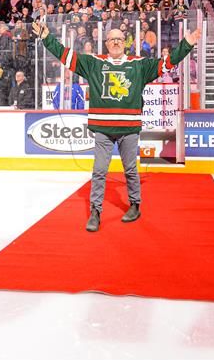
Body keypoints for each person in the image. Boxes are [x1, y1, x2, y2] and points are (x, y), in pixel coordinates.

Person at [33, 20, 200, 232]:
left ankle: (135, 204)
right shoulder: (93, 63)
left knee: (130, 170)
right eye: (111, 39)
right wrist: (47, 37)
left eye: (119, 39)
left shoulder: (139, 65)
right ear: (106, 43)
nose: (115, 42)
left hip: (128, 128)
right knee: (99, 171)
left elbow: (167, 63)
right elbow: (66, 56)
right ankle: (95, 211)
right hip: (102, 128)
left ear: (124, 43)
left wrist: (187, 43)